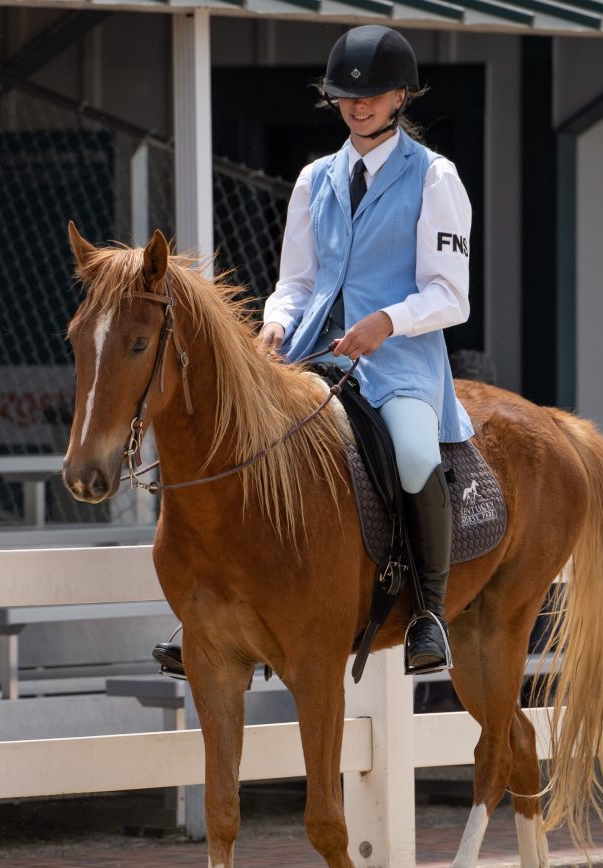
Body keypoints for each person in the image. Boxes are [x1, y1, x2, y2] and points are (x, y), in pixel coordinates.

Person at [153, 24, 473, 679]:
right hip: (311, 351)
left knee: (415, 453)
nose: (359, 105)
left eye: (373, 94)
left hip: (397, 359)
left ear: (401, 96)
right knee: (233, 439)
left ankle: (428, 612)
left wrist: (387, 320)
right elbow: (296, 283)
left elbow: (451, 295)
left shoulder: (435, 177)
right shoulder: (313, 180)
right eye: (347, 96)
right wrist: (275, 323)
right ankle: (211, 608)